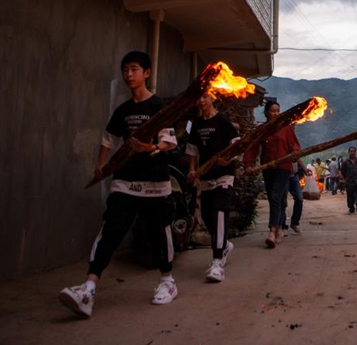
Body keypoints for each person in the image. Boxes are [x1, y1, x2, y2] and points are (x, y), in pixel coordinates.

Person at [59, 51, 179, 318]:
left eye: (134, 69)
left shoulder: (159, 107)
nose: (128, 74)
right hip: (125, 181)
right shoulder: (123, 110)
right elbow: (108, 138)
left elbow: (169, 141)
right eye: (125, 70)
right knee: (111, 230)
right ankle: (88, 289)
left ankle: (167, 281)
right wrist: (102, 165)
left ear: (146, 73)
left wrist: (150, 147)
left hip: (155, 184)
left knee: (159, 232)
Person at [186, 92, 239, 282]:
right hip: (206, 176)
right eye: (198, 97)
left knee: (219, 212)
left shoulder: (222, 120)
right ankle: (224, 245)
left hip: (224, 175)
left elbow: (236, 144)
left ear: (212, 98)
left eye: (205, 96)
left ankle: (217, 262)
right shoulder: (197, 124)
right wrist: (193, 170)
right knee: (208, 215)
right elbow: (192, 150)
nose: (201, 100)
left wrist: (229, 158)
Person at [243, 101, 301, 248]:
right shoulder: (262, 129)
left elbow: (294, 146)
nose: (276, 113)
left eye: (278, 110)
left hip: (283, 168)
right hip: (268, 168)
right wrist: (248, 164)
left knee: (275, 196)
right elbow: (252, 148)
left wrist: (294, 154)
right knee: (276, 199)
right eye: (272, 111)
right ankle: (280, 227)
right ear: (267, 113)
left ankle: (272, 230)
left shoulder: (286, 128)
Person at [280, 159, 309, 234]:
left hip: (294, 176)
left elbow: (298, 158)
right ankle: (282, 226)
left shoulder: (294, 149)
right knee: (283, 202)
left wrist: (305, 169)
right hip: (283, 176)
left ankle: (294, 223)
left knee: (299, 198)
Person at [341, 146, 357, 214]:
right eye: (351, 151)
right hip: (349, 182)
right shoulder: (345, 162)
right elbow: (343, 172)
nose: (352, 152)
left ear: (355, 152)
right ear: (348, 152)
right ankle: (351, 208)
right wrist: (347, 178)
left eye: (353, 151)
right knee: (350, 196)